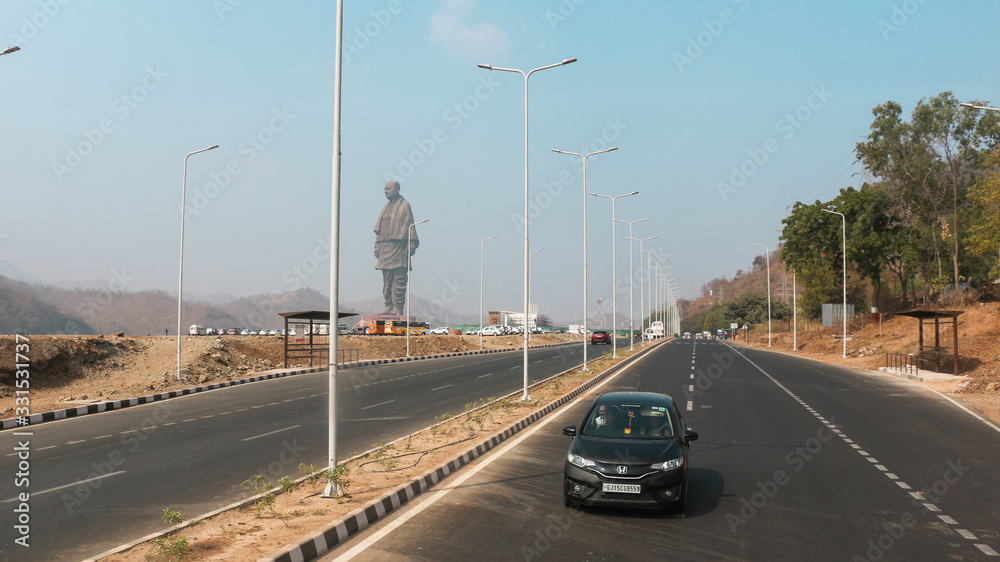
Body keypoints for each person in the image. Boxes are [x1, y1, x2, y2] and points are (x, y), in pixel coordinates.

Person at [374, 180, 419, 315]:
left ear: (397, 189)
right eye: (385, 188)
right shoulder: (384, 207)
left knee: (399, 280)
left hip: (399, 248)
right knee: (386, 281)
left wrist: (410, 246)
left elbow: (410, 226)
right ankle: (388, 306)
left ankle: (398, 308)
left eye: (388, 188)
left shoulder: (404, 205)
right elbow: (379, 230)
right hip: (385, 248)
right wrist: (377, 246)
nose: (386, 191)